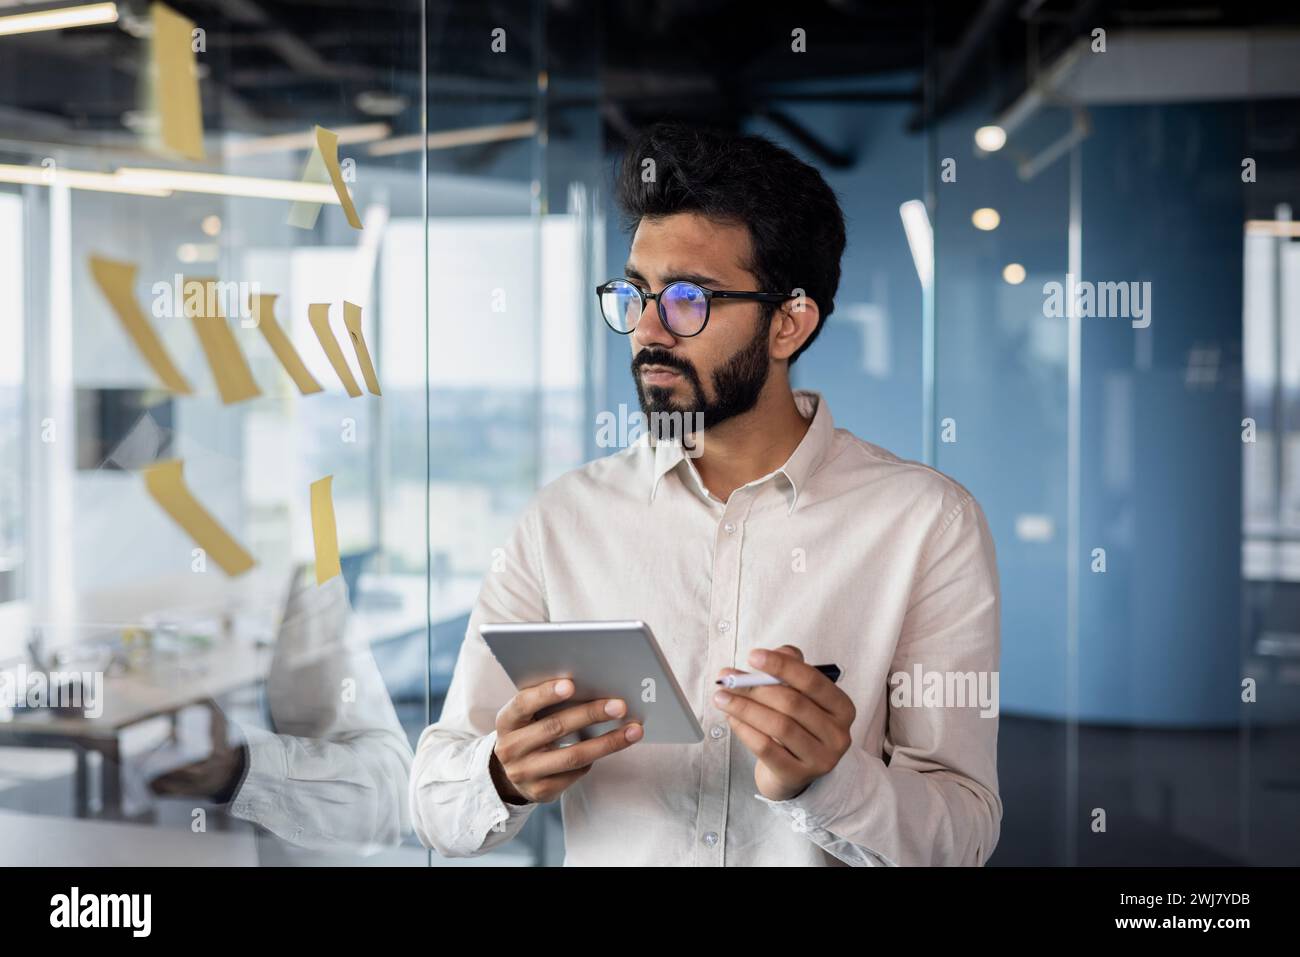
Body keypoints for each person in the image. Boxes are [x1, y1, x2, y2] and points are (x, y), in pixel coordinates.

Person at [410, 122, 1001, 866]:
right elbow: (436, 801)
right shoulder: (562, 520)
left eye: (688, 297)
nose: (648, 330)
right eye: (636, 292)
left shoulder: (926, 524)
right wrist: (500, 773)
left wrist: (829, 780)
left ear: (789, 322)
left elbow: (965, 832)